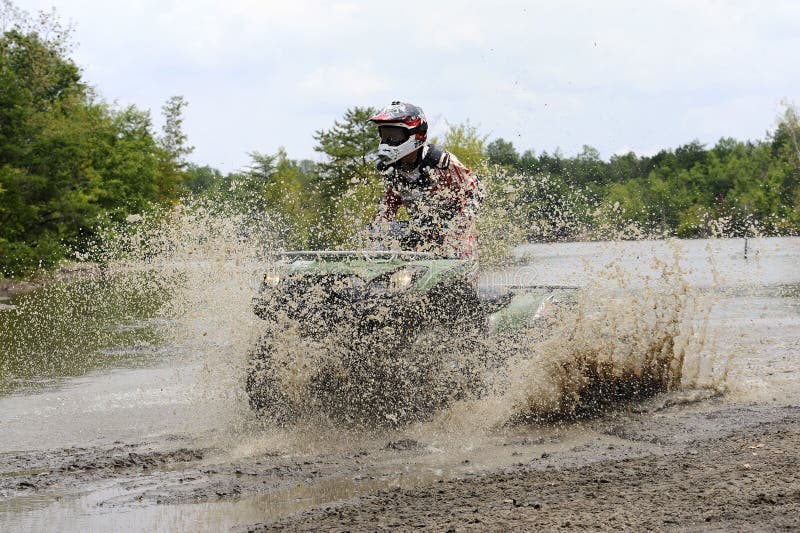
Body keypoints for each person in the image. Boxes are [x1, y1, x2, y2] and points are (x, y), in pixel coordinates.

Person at [369, 101, 481, 258]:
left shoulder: (441, 162)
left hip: (456, 235)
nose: (388, 142)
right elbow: (387, 208)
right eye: (385, 135)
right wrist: (377, 236)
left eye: (393, 136)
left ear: (415, 133)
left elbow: (475, 188)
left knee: (456, 262)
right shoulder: (392, 171)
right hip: (421, 233)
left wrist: (462, 222)